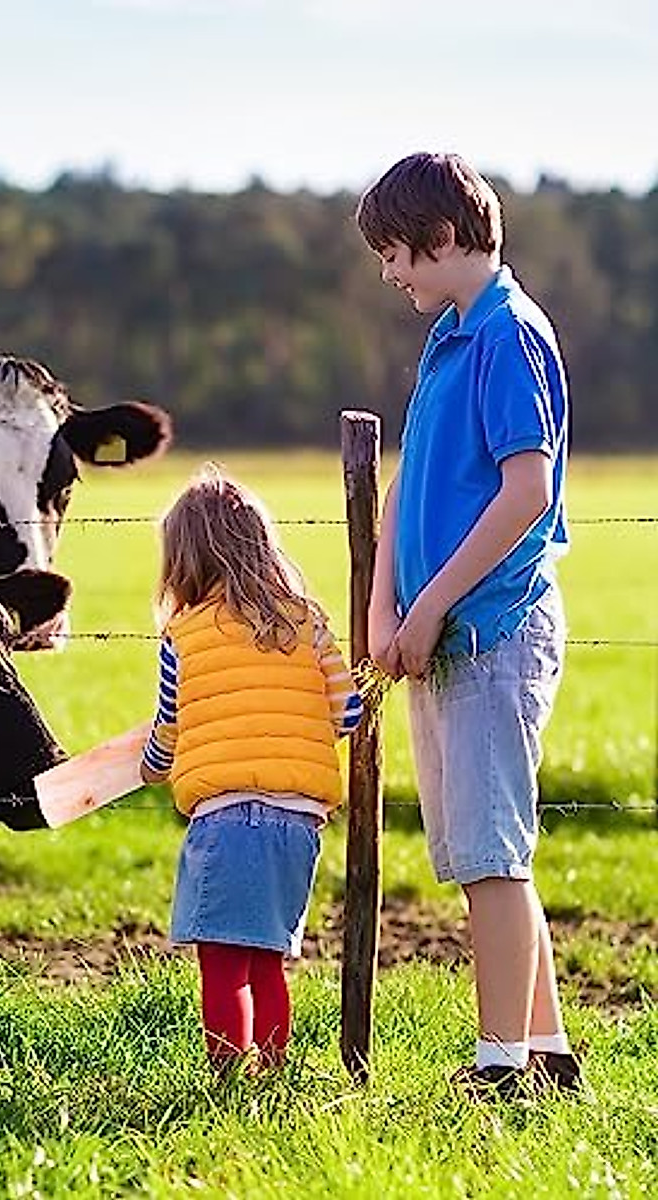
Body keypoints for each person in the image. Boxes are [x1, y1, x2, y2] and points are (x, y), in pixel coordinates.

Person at [355, 151, 578, 1099]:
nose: (389, 273)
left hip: (491, 632)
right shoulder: (451, 336)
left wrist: (435, 601)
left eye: (396, 253)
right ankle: (550, 1052)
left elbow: (526, 490)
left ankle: (501, 1068)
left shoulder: (507, 336)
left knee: (492, 855)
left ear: (445, 239)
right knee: (483, 849)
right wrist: (382, 600)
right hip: (440, 634)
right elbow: (411, 483)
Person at [139, 465, 361, 1077]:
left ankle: (228, 1076)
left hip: (225, 816)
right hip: (300, 821)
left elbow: (170, 725)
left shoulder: (182, 635)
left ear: (182, 560)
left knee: (221, 961)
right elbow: (347, 711)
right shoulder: (306, 619)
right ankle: (274, 1065)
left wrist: (152, 765)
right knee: (266, 957)